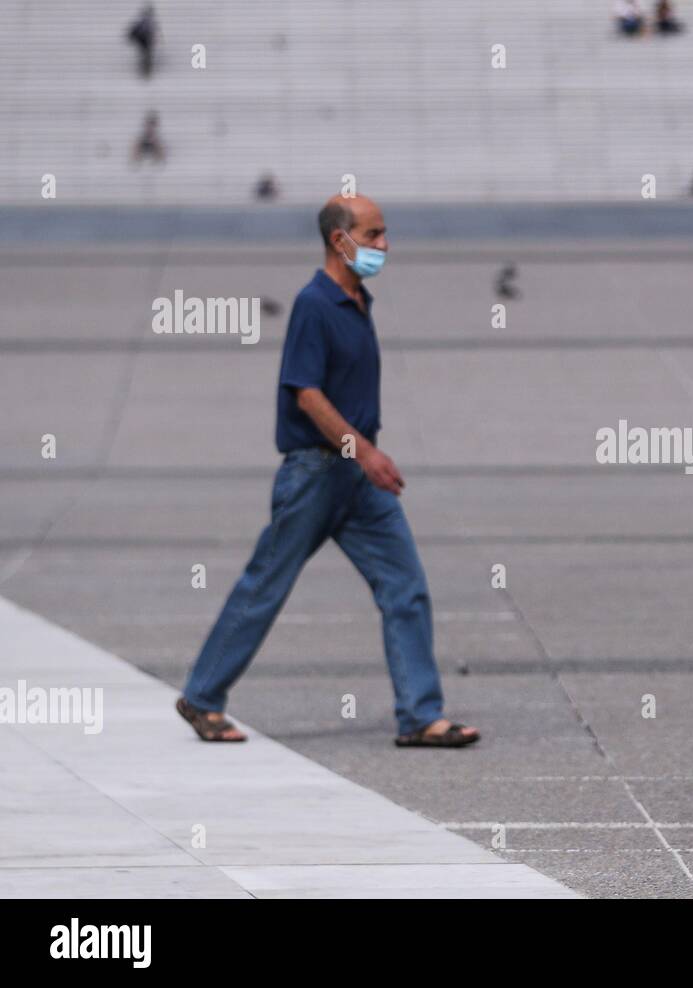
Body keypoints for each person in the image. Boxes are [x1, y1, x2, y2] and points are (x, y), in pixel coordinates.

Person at [176, 195, 480, 749]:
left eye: (385, 233)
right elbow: (306, 395)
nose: (385, 245)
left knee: (404, 586)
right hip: (317, 472)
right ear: (340, 241)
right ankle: (201, 697)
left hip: (358, 480)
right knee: (266, 585)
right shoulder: (314, 305)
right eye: (374, 234)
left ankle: (420, 715)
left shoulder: (358, 300)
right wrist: (364, 452)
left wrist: (363, 459)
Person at [126, 4, 157, 79]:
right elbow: (150, 31)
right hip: (144, 40)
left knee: (145, 55)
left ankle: (145, 69)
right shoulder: (147, 20)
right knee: (146, 55)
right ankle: (146, 70)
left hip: (143, 40)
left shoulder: (143, 20)